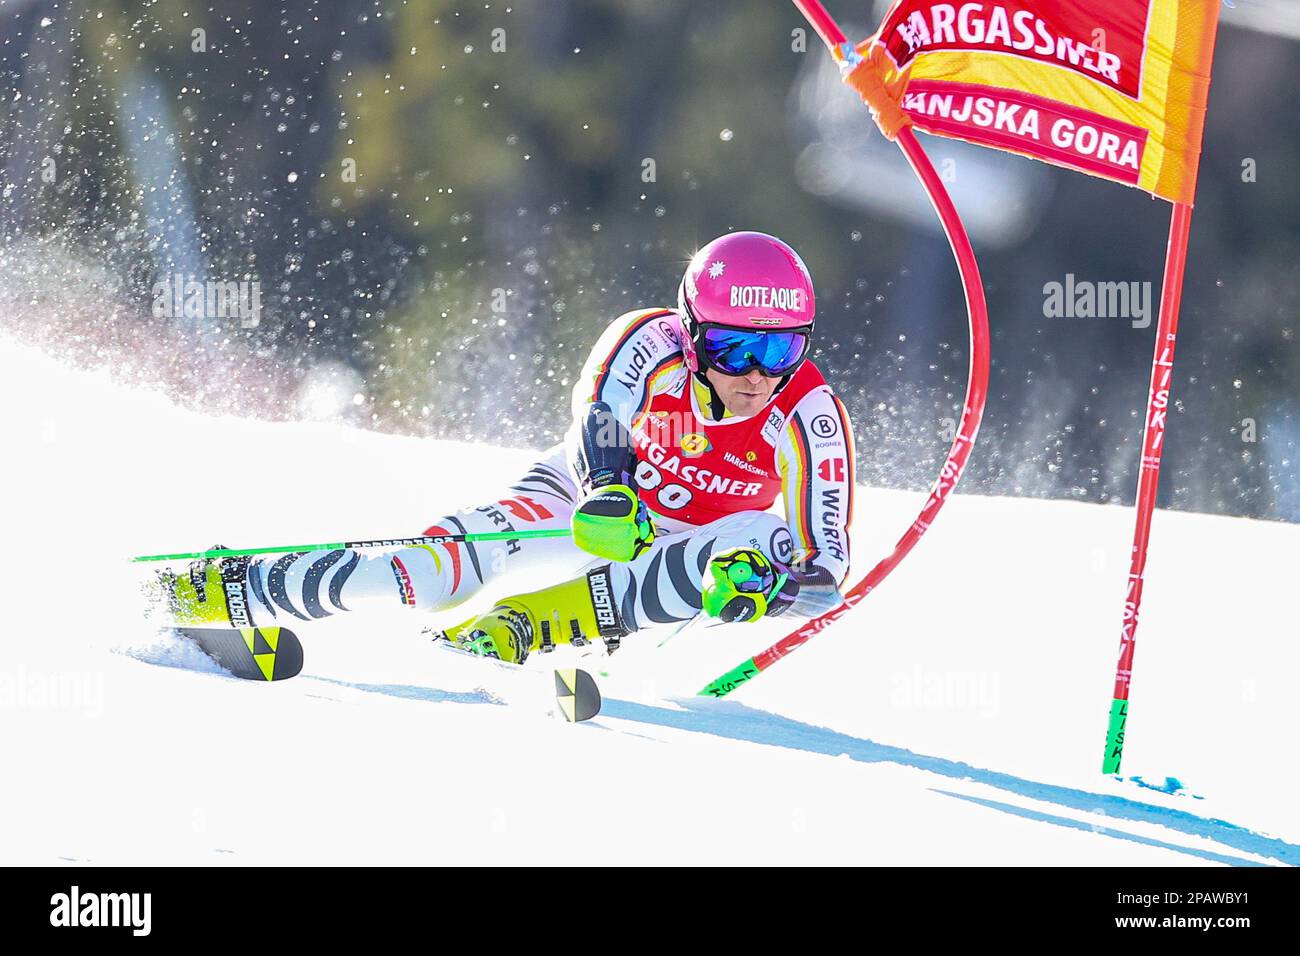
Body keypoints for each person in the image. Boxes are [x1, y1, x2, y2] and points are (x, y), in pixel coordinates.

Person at [161, 231, 857, 663]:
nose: (760, 372)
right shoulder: (650, 341)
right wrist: (610, 490)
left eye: (783, 347)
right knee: (441, 571)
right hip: (590, 499)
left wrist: (772, 589)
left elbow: (826, 573)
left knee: (760, 540)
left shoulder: (809, 417)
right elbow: (599, 411)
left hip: (683, 552)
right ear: (691, 329)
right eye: (735, 347)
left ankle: (524, 627)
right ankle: (229, 586)